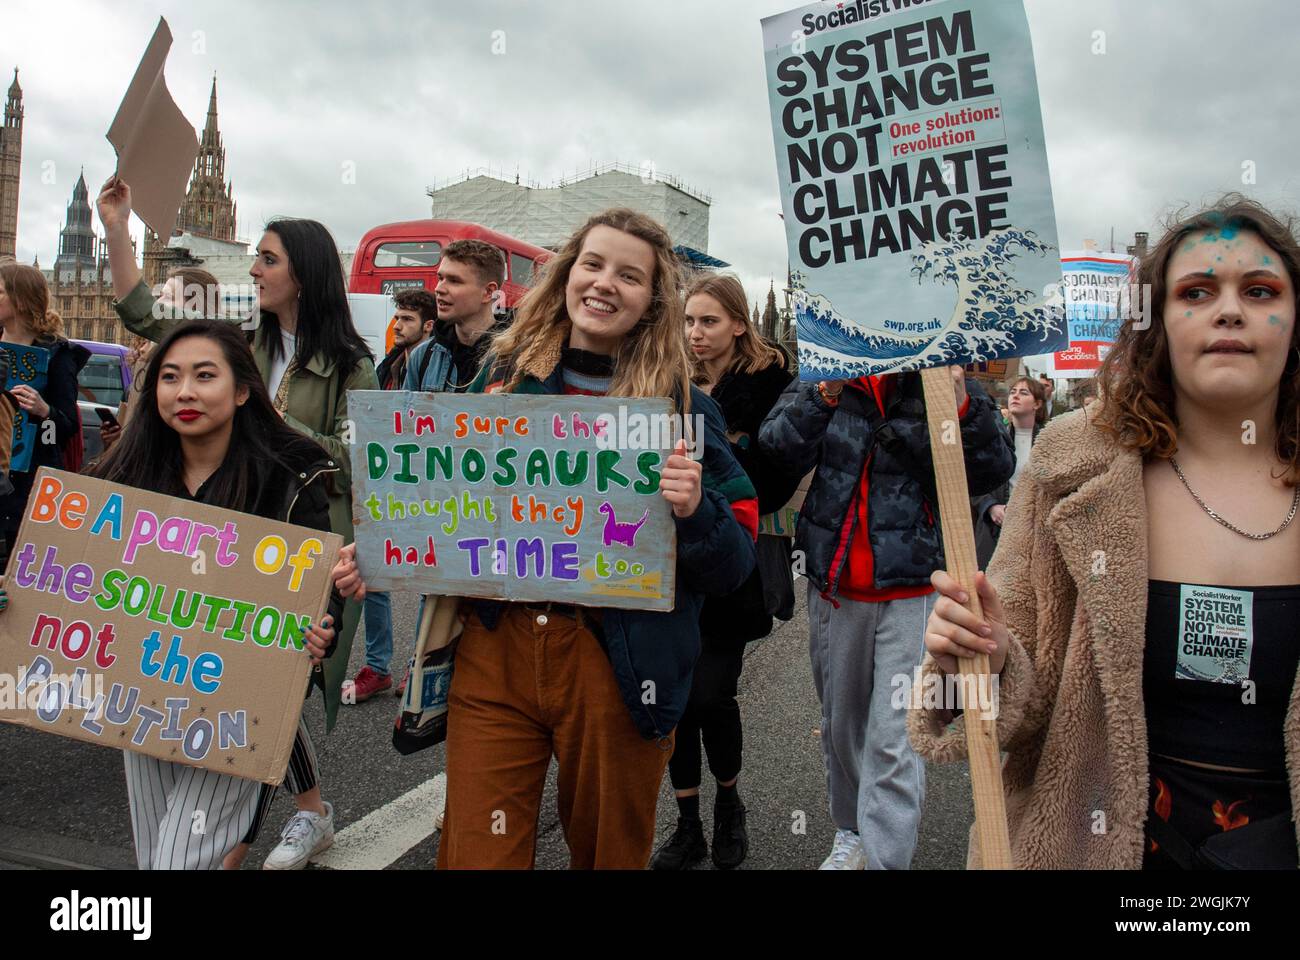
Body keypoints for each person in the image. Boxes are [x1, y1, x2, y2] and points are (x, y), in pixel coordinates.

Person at [334, 208, 758, 869]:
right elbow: (440, 499)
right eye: (592, 264)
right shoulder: (498, 381)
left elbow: (736, 565)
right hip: (495, 653)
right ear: (566, 274)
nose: (604, 283)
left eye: (629, 275)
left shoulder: (682, 410)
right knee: (477, 852)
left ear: (652, 302)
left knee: (607, 854)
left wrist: (697, 508)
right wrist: (381, 546)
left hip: (618, 665)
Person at [912, 196, 1300, 869]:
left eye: (1259, 289)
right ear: (1157, 322)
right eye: (1197, 291)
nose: (1229, 309)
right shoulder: (1069, 468)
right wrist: (975, 662)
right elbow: (999, 711)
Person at [97, 175, 378, 870]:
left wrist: (281, 429)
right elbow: (147, 321)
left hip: (302, 536)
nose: (253, 268)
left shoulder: (348, 363)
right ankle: (292, 820)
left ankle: (252, 834)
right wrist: (117, 227)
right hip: (221, 535)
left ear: (305, 275)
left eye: (269, 259)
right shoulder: (236, 343)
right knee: (241, 682)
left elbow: (365, 459)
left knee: (271, 682)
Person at [79, 318, 341, 869]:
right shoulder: (124, 476)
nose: (186, 392)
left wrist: (322, 624)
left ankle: (310, 813)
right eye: (170, 377)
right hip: (143, 692)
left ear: (243, 389)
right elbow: (73, 574)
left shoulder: (291, 476)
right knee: (156, 856)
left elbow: (320, 580)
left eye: (204, 375)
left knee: (181, 860)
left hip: (238, 701)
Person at [759, 361, 1013, 869]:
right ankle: (851, 829)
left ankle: (885, 858)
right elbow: (777, 449)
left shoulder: (943, 367)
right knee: (841, 727)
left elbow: (992, 468)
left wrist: (961, 403)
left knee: (894, 739)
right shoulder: (826, 366)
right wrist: (824, 394)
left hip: (916, 588)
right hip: (834, 583)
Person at [651, 273, 797, 870]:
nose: (695, 333)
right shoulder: (666, 383)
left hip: (736, 558)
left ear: (740, 322)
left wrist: (717, 472)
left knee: (712, 694)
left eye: (709, 321)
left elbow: (773, 477)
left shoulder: (770, 386)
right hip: (667, 559)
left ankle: (728, 801)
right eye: (688, 322)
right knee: (674, 700)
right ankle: (687, 822)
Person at [396, 241, 509, 700]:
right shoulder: (425, 356)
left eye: (453, 280)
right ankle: (433, 682)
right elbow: (406, 431)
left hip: (499, 518)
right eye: (440, 277)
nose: (439, 289)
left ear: (489, 291)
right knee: (436, 604)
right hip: (443, 512)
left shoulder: (517, 352)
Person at [350, 287, 438, 703]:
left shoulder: (438, 363)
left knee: (430, 576)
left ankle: (418, 664)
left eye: (405, 319)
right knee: (374, 573)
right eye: (396, 317)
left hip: (425, 486)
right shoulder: (385, 365)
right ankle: (377, 666)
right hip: (384, 482)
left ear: (428, 325)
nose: (397, 325)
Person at [0, 262, 90, 565]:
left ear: (21, 300)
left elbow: (62, 431)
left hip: (25, 485)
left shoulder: (57, 356)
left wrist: (43, 412)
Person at [101, 267, 219, 453]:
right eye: (160, 296)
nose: (159, 303)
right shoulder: (146, 362)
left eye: (169, 297)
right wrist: (118, 438)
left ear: (196, 309)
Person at [972, 376, 1048, 567]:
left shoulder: (1049, 441)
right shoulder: (993, 438)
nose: (1015, 396)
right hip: (996, 529)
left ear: (1037, 404)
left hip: (1035, 530)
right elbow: (974, 480)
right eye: (1013, 392)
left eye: (1023, 393)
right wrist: (990, 506)